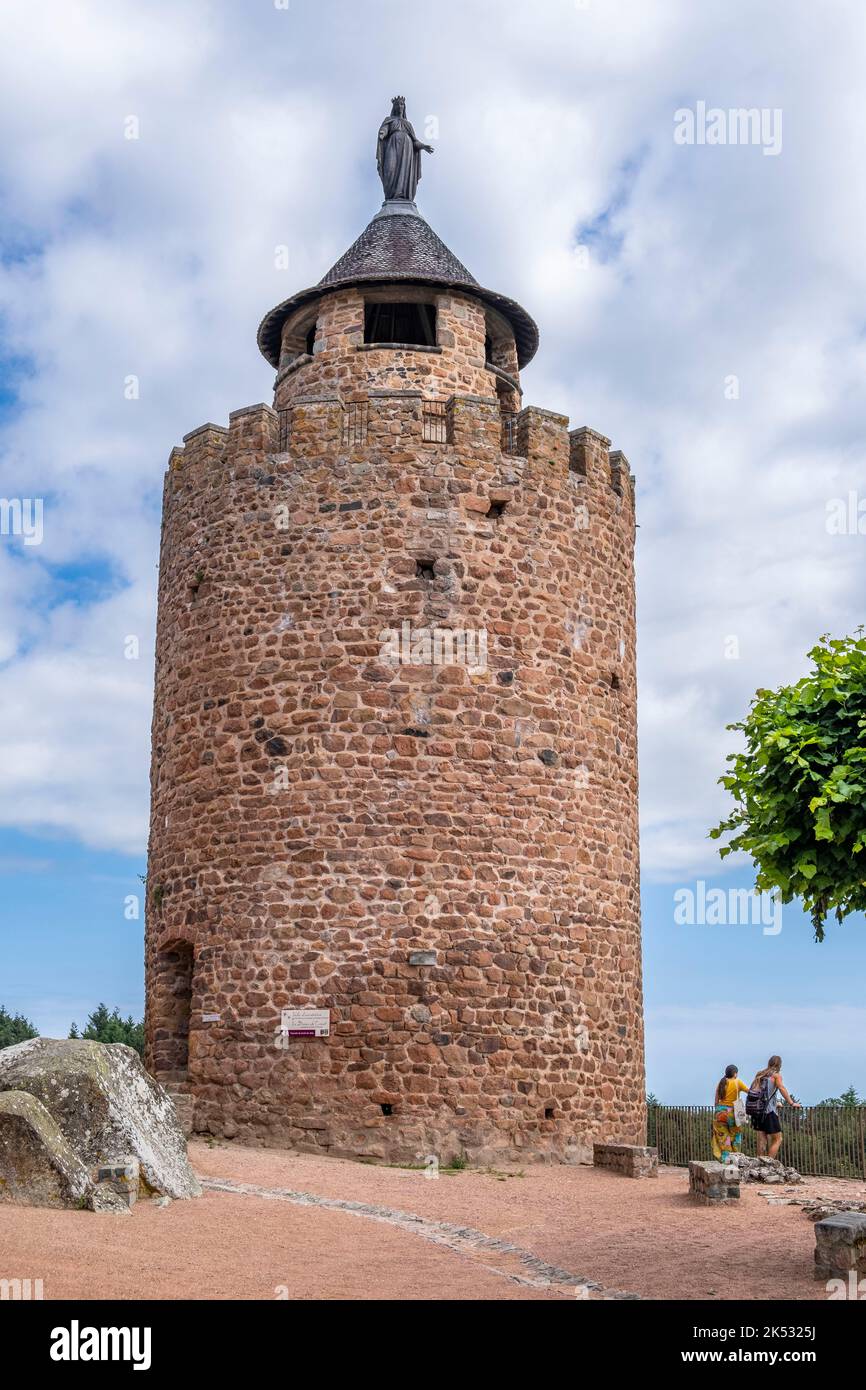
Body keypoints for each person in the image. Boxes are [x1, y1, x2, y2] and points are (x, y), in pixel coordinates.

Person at [750, 1055, 801, 1158]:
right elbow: (781, 1088)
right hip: (769, 1112)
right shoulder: (776, 1076)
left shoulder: (760, 1074)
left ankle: (759, 1164)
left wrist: (776, 1102)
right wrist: (791, 1103)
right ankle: (768, 1164)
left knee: (762, 1139)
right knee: (778, 1139)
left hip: (757, 1111)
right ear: (779, 1065)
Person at [712, 1063, 749, 1162]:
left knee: (724, 1136)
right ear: (735, 1074)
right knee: (735, 1134)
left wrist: (718, 1110)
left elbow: (716, 1100)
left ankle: (726, 1159)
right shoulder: (737, 1082)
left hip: (719, 1112)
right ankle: (736, 1157)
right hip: (733, 1112)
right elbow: (749, 1091)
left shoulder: (721, 1083)